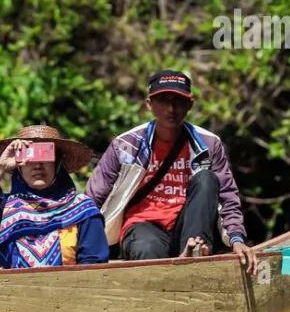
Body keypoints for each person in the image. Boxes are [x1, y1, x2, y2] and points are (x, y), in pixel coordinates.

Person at [85, 69, 257, 273]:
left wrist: (236, 238)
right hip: (142, 226)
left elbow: (227, 197)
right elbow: (93, 198)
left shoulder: (209, 144)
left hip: (188, 229)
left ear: (189, 105)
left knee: (206, 179)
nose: (171, 109)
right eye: (163, 101)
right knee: (146, 248)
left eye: (178, 101)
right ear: (149, 104)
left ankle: (195, 252)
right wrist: (84, 248)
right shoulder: (126, 146)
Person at [0, 125, 108, 267]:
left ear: (57, 163)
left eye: (45, 156)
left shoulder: (82, 209)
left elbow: (93, 262)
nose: (37, 166)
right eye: (28, 158)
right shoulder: (7, 208)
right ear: (19, 166)